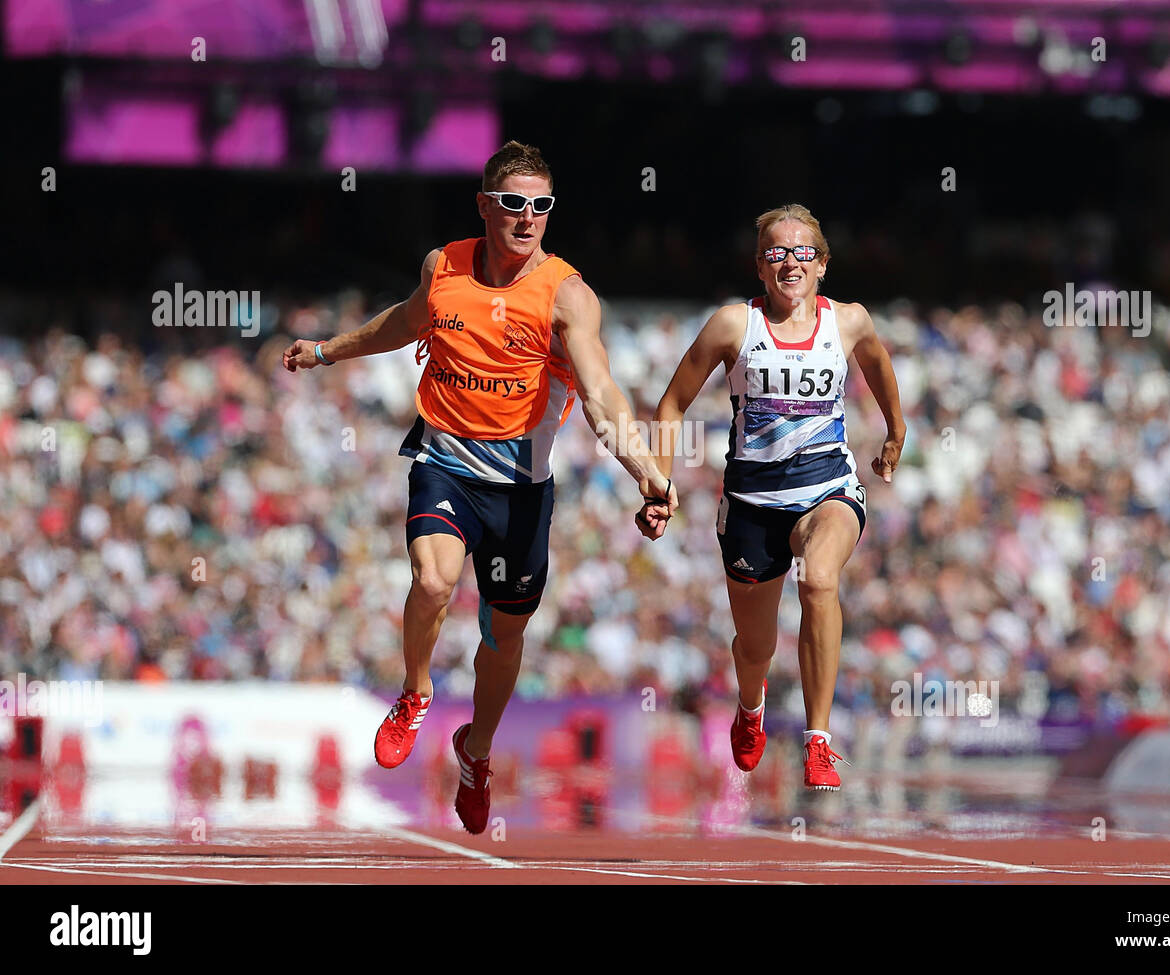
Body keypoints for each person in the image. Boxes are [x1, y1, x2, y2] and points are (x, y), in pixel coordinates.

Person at [282, 141, 676, 832]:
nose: (529, 218)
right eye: (515, 204)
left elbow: (601, 392)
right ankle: (414, 692)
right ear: (485, 206)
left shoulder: (567, 296)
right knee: (432, 582)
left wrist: (646, 471)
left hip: (521, 489)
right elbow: (402, 324)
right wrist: (325, 350)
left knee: (502, 635)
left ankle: (478, 750)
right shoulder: (445, 267)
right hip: (445, 461)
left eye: (542, 206)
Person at [641, 204, 905, 790]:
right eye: (776, 253)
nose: (790, 262)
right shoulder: (733, 326)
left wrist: (895, 429)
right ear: (760, 268)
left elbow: (879, 365)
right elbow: (671, 405)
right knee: (755, 646)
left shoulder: (850, 321)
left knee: (818, 581)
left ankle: (818, 739)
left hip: (827, 488)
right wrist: (659, 481)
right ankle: (751, 704)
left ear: (822, 265)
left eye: (802, 252)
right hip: (752, 505)